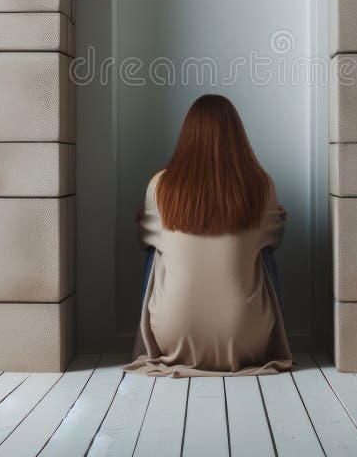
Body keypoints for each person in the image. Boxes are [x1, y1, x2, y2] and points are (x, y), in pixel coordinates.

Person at [123, 94, 293, 377]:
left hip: (173, 337)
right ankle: (271, 339)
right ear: (237, 136)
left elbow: (143, 240)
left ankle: (146, 345)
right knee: (262, 251)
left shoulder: (160, 185)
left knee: (155, 249)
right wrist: (274, 215)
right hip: (246, 339)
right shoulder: (261, 185)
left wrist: (149, 224)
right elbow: (276, 238)